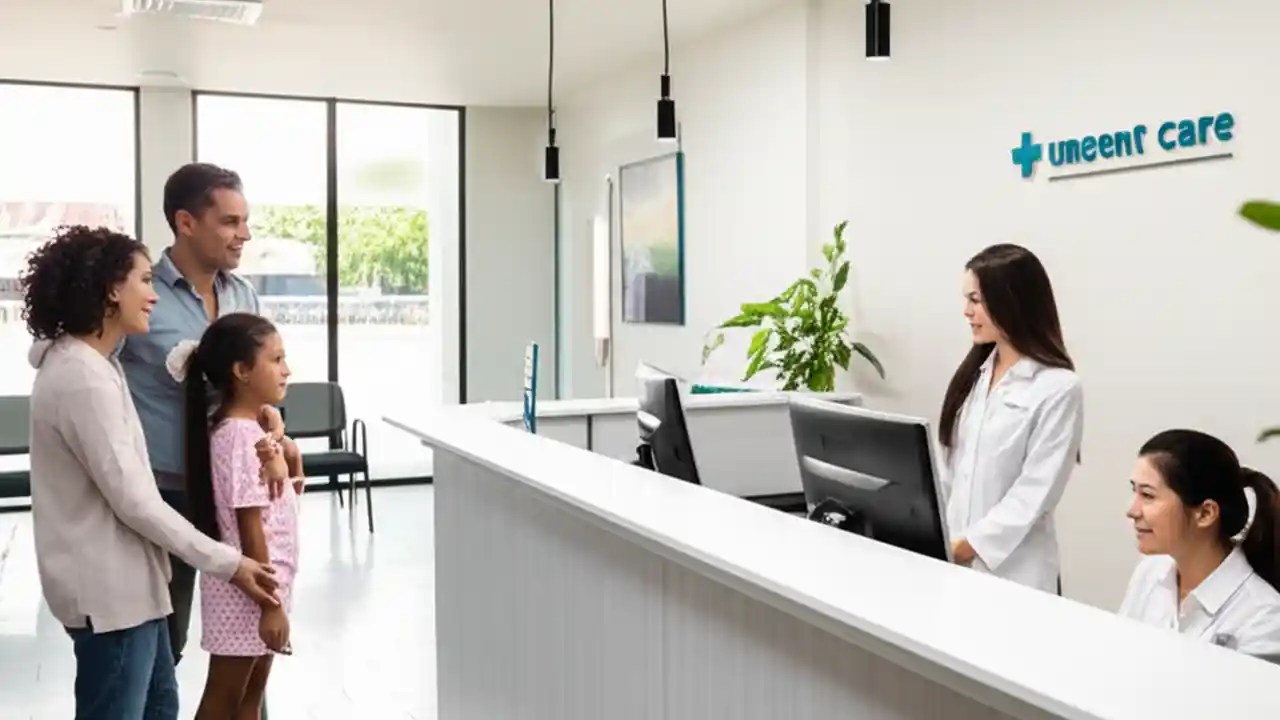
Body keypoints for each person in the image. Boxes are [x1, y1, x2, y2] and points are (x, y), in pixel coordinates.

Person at [22, 226, 280, 719]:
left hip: (134, 591)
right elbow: (135, 501)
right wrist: (230, 563)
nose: (153, 294)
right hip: (110, 595)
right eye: (144, 280)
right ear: (111, 290)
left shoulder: (95, 364)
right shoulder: (81, 377)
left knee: (160, 707)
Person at [119, 161, 301, 666]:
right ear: (185, 222)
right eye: (229, 222)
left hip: (238, 492)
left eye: (245, 221)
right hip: (168, 493)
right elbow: (103, 387)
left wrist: (276, 426)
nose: (244, 234)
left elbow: (255, 382)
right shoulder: (141, 294)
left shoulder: (244, 295)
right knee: (163, 640)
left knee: (254, 635)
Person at [171, 313, 302, 719]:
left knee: (251, 695)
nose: (287, 369)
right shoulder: (239, 437)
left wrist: (282, 443)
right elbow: (250, 527)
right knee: (225, 697)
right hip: (251, 591)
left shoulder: (250, 432)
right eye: (276, 360)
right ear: (242, 371)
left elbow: (284, 490)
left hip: (264, 587)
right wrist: (270, 604)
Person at [938, 244, 1084, 593]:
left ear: (1010, 301)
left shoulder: (1059, 388)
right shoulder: (973, 378)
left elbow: (1034, 493)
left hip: (1017, 575)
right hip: (954, 566)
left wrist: (966, 546)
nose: (966, 311)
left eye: (976, 300)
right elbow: (949, 474)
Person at [1119, 430, 1280, 660]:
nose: (1132, 511)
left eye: (1148, 495)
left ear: (1205, 513)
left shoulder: (1264, 620)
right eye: (1134, 491)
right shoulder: (1150, 571)